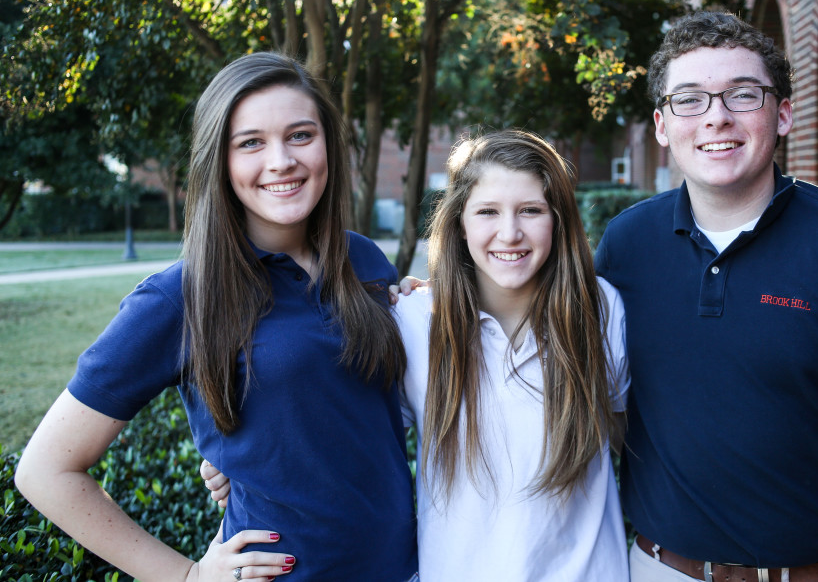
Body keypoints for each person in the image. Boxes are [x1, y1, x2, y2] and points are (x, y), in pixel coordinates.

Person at [15, 52, 418, 582]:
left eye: (300, 135)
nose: (281, 161)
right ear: (219, 161)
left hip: (409, 569)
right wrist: (187, 576)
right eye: (250, 142)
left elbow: (360, 415)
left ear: (328, 146)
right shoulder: (179, 296)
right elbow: (45, 471)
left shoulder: (364, 259)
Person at [594, 10, 818, 582]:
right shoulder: (625, 245)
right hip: (662, 570)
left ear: (782, 114)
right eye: (690, 99)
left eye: (743, 94)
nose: (716, 117)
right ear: (663, 125)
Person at [204, 129, 631, 580]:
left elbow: (631, 438)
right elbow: (341, 433)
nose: (510, 232)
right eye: (487, 211)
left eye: (531, 210)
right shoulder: (412, 321)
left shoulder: (600, 311)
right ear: (460, 224)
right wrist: (243, 458)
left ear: (558, 220)